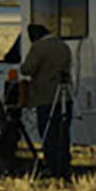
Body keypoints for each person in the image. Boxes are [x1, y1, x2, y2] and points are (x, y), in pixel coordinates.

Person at [20, 23, 72, 178]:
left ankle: (52, 166)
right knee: (63, 133)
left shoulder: (39, 48)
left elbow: (27, 69)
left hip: (46, 97)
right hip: (65, 97)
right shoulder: (63, 46)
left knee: (49, 134)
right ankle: (64, 165)